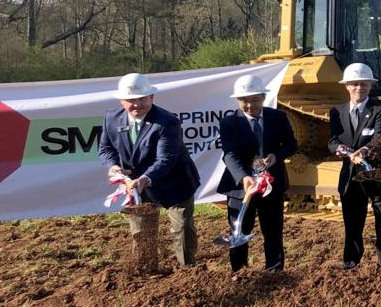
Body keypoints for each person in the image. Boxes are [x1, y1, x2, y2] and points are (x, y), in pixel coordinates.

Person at [98, 72, 200, 267]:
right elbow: (105, 148)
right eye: (131, 100)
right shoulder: (111, 118)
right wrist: (113, 166)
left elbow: (166, 158)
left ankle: (188, 271)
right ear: (122, 101)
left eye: (142, 99)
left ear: (151, 97)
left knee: (182, 229)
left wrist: (145, 178)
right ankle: (146, 271)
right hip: (137, 188)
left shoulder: (167, 122)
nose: (136, 104)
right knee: (141, 232)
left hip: (175, 183)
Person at [214, 73, 296, 272]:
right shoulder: (229, 123)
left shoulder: (278, 117)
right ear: (237, 100)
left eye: (255, 100)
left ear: (263, 97)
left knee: (273, 232)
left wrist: (276, 156)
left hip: (271, 185)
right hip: (241, 187)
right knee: (239, 231)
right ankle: (240, 273)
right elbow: (229, 154)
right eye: (244, 100)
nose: (250, 105)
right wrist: (244, 177)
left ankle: (275, 272)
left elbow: (291, 144)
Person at [328, 62, 381, 268]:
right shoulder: (336, 112)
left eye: (365, 84)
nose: (360, 88)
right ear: (347, 86)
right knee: (352, 221)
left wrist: (365, 150)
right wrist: (339, 149)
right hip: (351, 174)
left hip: (378, 173)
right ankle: (351, 262)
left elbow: (379, 138)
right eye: (356, 84)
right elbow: (332, 140)